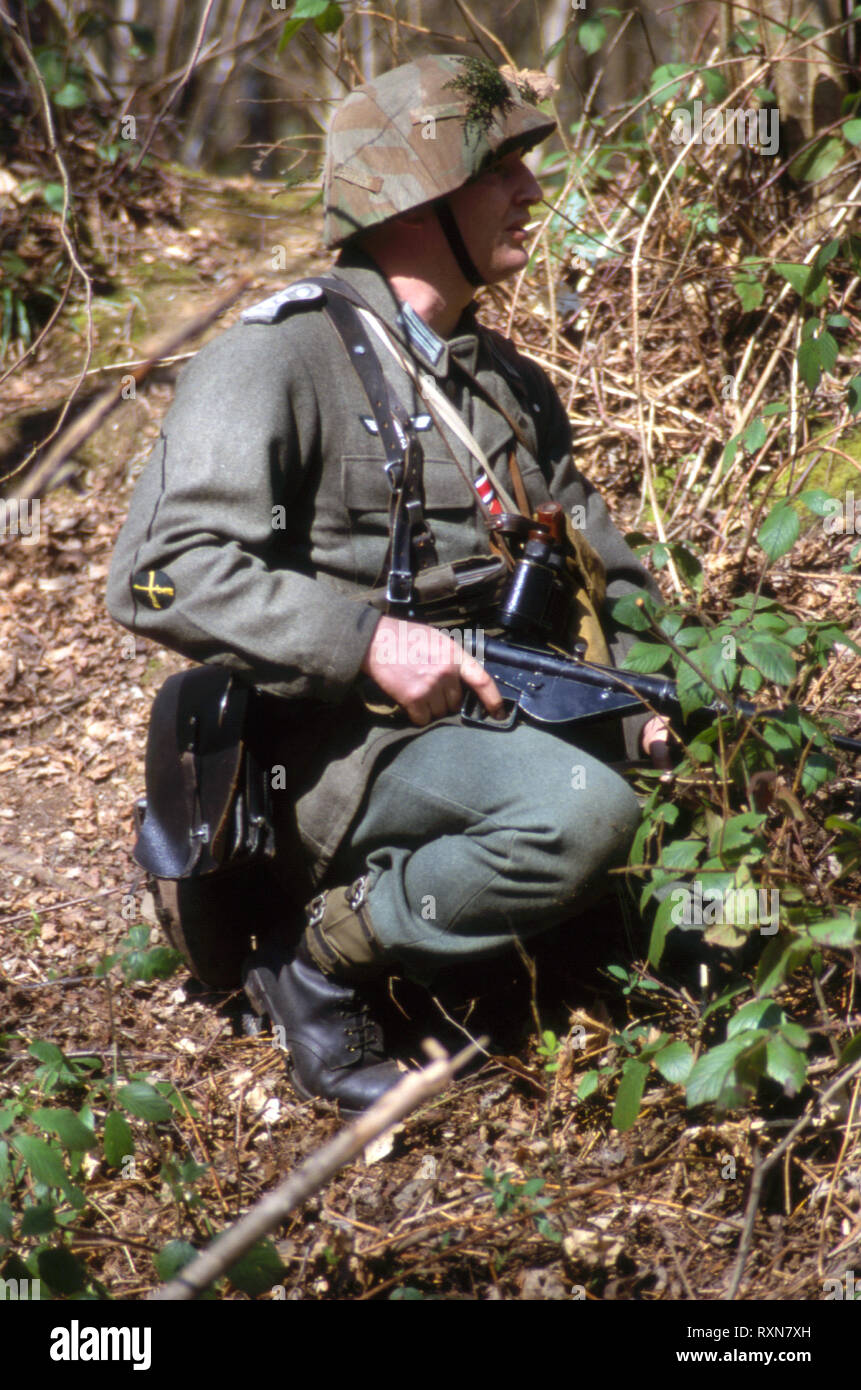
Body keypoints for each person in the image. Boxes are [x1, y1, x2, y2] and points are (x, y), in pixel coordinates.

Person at [107, 54, 667, 1115]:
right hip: (333, 740)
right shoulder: (278, 359)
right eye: (500, 166)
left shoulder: (507, 386)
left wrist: (645, 696)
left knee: (689, 790)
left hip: (501, 703)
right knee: (584, 815)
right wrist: (368, 640)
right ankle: (317, 961)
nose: (531, 191)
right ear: (418, 192)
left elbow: (612, 577)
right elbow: (161, 573)